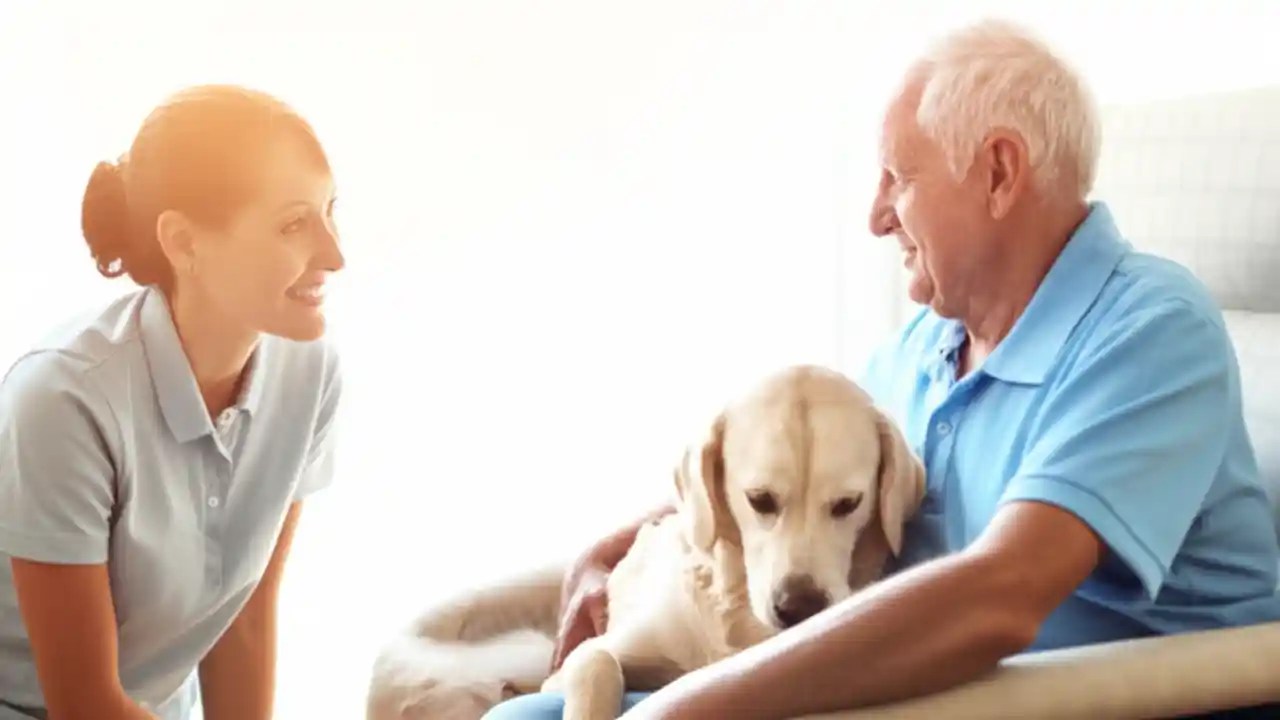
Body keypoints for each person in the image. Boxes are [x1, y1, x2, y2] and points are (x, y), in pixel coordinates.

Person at [484, 18, 1280, 720]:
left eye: (898, 176)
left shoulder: (1149, 331)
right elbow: (788, 475)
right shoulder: (922, 348)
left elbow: (1001, 597)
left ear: (999, 172)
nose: (874, 215)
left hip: (1132, 702)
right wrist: (612, 548)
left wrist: (688, 709)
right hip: (943, 696)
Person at [0, 85, 345, 720]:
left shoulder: (310, 373)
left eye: (331, 211)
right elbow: (84, 705)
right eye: (295, 224)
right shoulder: (63, 400)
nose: (335, 254)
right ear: (184, 242)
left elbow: (242, 622)